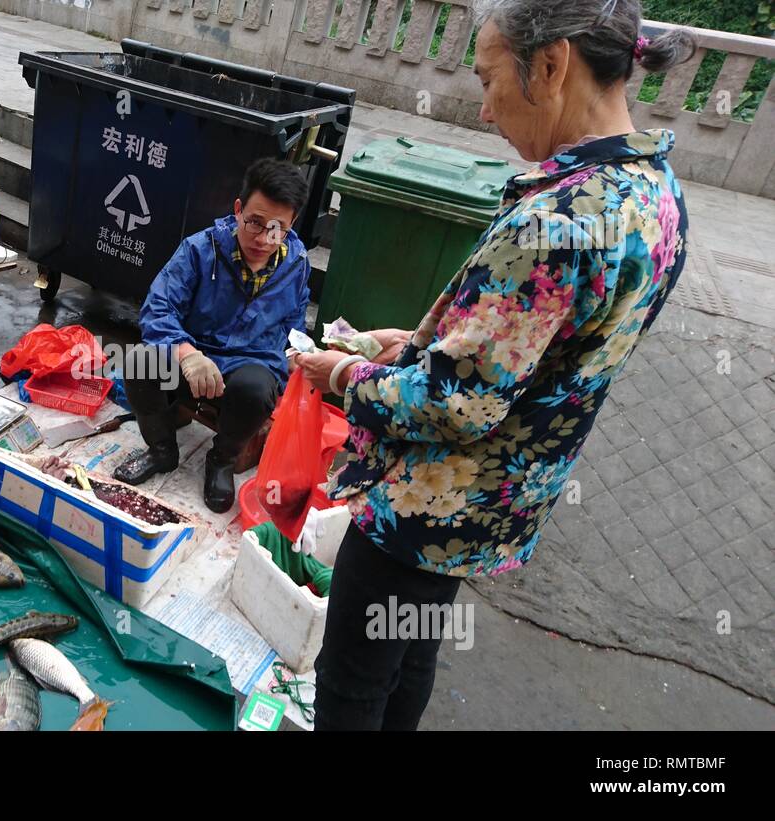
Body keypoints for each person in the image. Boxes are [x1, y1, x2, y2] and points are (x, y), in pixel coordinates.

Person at [290, 0, 696, 730]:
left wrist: (345, 376)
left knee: (353, 678)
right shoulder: (658, 197)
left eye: (488, 80)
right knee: (408, 657)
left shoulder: (556, 221)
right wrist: (416, 343)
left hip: (420, 508)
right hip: (491, 510)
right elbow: (538, 353)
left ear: (551, 65)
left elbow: (455, 402)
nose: (483, 111)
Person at [114, 158, 312, 513]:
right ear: (238, 210)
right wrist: (187, 353)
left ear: (291, 224)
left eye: (277, 228)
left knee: (255, 388)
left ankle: (221, 459)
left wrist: (295, 355)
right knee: (140, 362)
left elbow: (293, 328)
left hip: (248, 367)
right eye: (254, 222)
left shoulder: (297, 266)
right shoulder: (199, 250)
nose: (263, 238)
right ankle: (162, 449)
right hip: (192, 359)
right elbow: (158, 308)